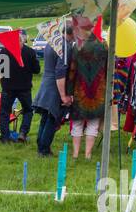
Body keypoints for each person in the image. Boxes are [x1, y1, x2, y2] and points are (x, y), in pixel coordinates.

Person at [66, 30, 108, 159]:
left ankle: (75, 153)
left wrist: (69, 91)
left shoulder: (77, 47)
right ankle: (88, 154)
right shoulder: (104, 46)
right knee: (93, 124)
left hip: (80, 90)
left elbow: (72, 70)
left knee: (77, 123)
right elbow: (108, 69)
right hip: (98, 91)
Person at [0, 31, 39, 143]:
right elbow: (37, 70)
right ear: (22, 40)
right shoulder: (30, 52)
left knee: (4, 112)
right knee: (28, 110)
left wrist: (3, 84)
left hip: (8, 87)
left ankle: (5, 137)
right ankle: (23, 132)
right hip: (24, 87)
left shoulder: (4, 51)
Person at [33, 33, 68, 157]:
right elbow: (60, 72)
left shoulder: (52, 42)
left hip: (46, 83)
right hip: (54, 86)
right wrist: (63, 95)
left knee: (45, 117)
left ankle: (41, 146)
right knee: (52, 118)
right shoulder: (63, 45)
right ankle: (44, 149)